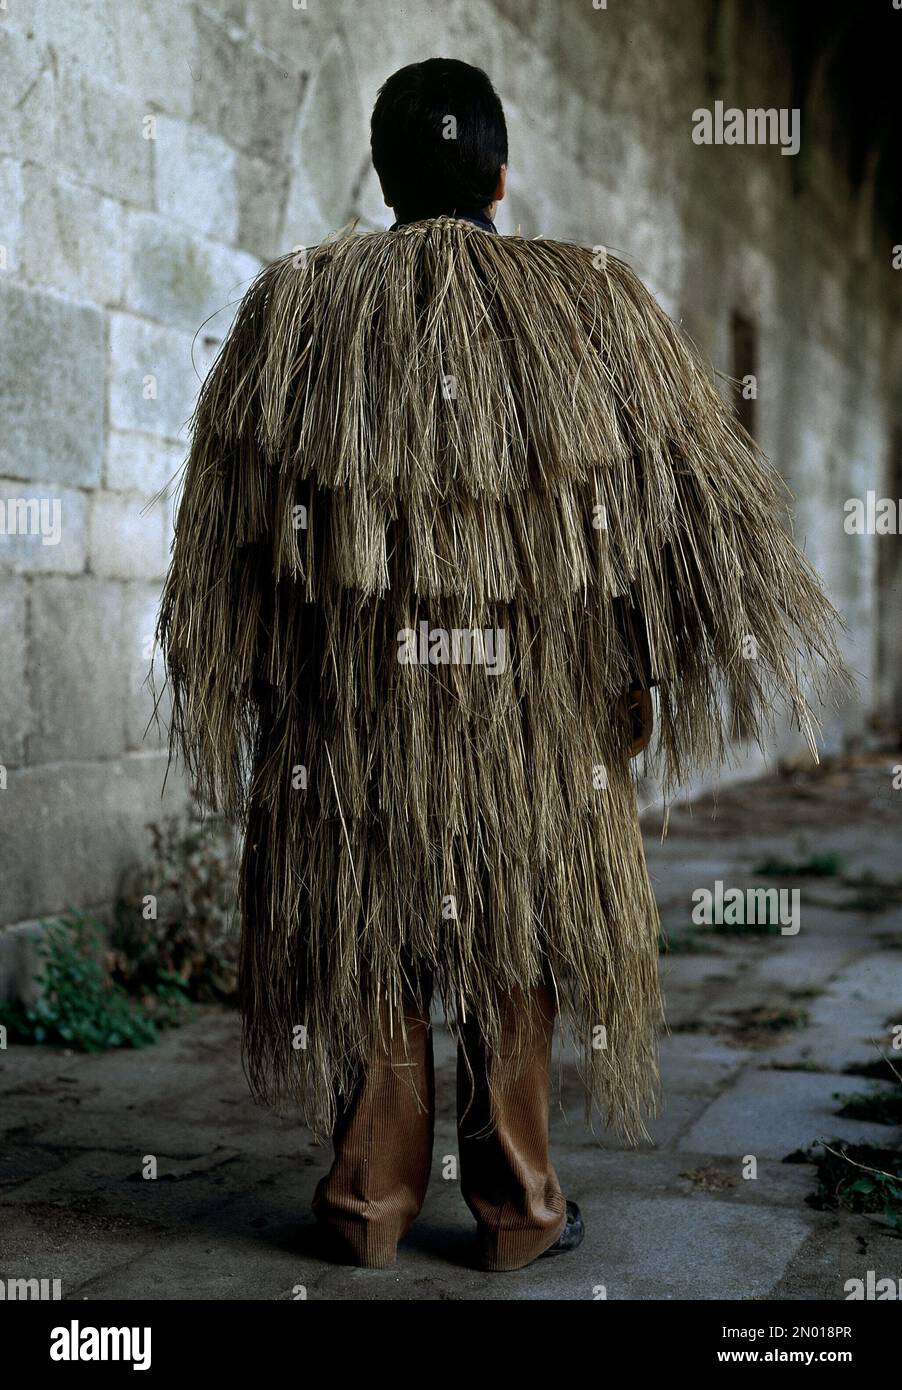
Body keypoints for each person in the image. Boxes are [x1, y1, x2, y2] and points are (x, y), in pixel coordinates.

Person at [155, 58, 846, 1272]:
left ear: (383, 175)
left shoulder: (297, 308)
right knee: (512, 936)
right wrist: (642, 667)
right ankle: (519, 1212)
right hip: (536, 718)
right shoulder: (595, 304)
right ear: (499, 173)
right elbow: (693, 522)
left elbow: (229, 551)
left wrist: (263, 687)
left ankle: (368, 1206)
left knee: (368, 939)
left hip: (352, 719)